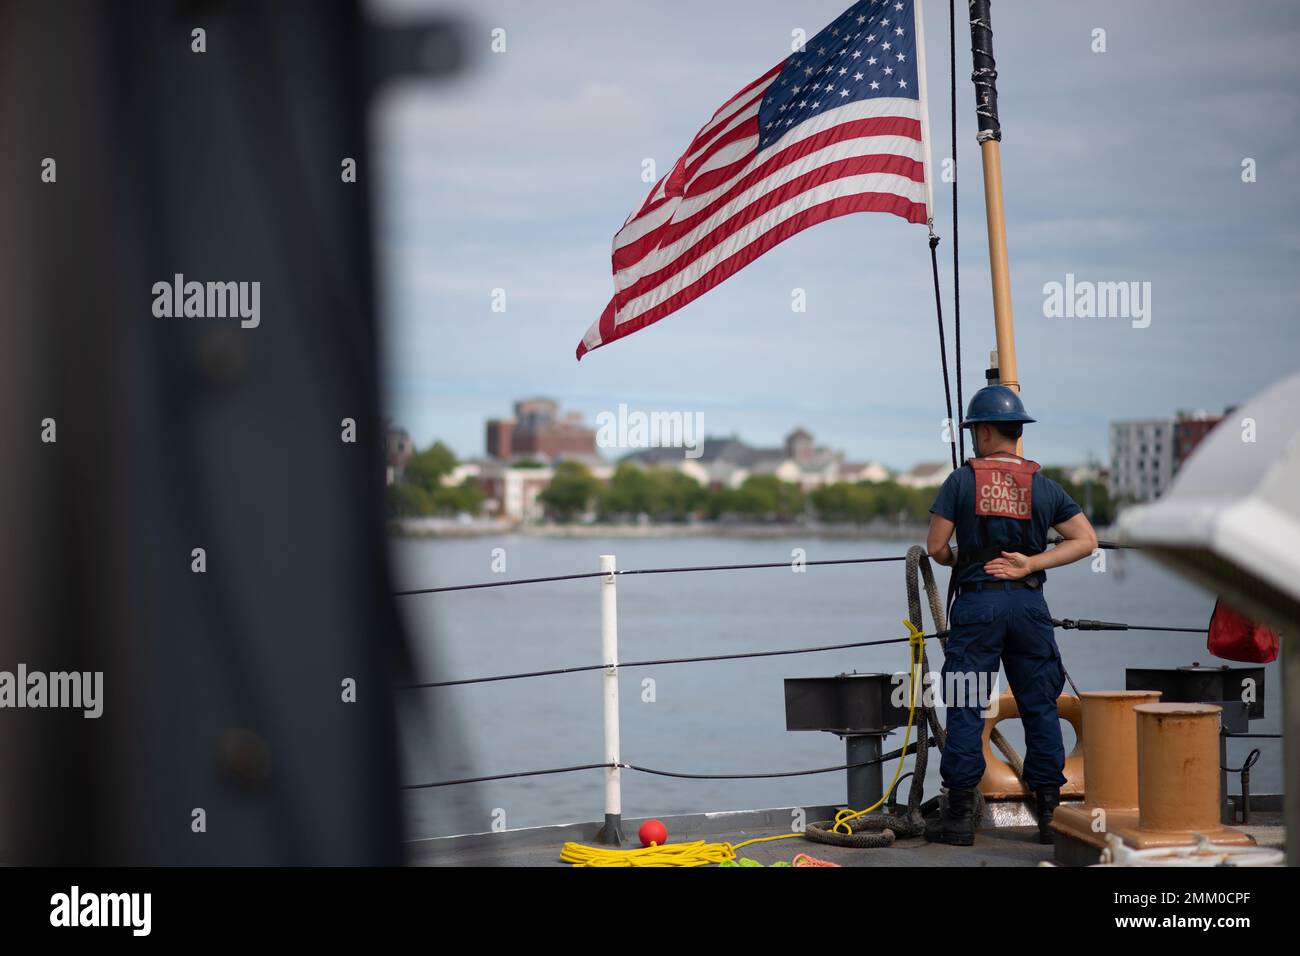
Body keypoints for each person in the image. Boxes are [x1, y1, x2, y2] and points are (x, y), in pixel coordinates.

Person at [923, 385, 1098, 845]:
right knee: (1040, 704)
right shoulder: (1045, 486)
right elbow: (1086, 541)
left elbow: (937, 547)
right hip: (1028, 605)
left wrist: (960, 558)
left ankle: (959, 819)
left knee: (965, 702)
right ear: (1018, 432)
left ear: (982, 432)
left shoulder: (961, 481)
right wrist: (1031, 561)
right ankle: (1049, 818)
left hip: (979, 604)